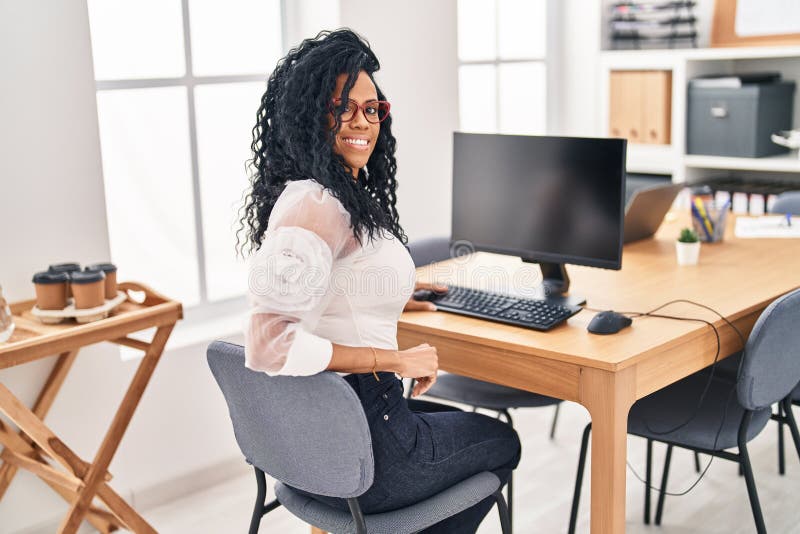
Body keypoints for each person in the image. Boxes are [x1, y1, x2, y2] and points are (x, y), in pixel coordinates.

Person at [238, 29, 520, 532]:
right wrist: (394, 358)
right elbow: (268, 346)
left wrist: (389, 297)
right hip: (372, 453)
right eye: (343, 107)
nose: (362, 123)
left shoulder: (316, 195)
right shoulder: (318, 206)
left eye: (372, 109)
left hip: (314, 453)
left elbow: (329, 288)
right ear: (308, 114)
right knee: (502, 441)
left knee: (458, 426)